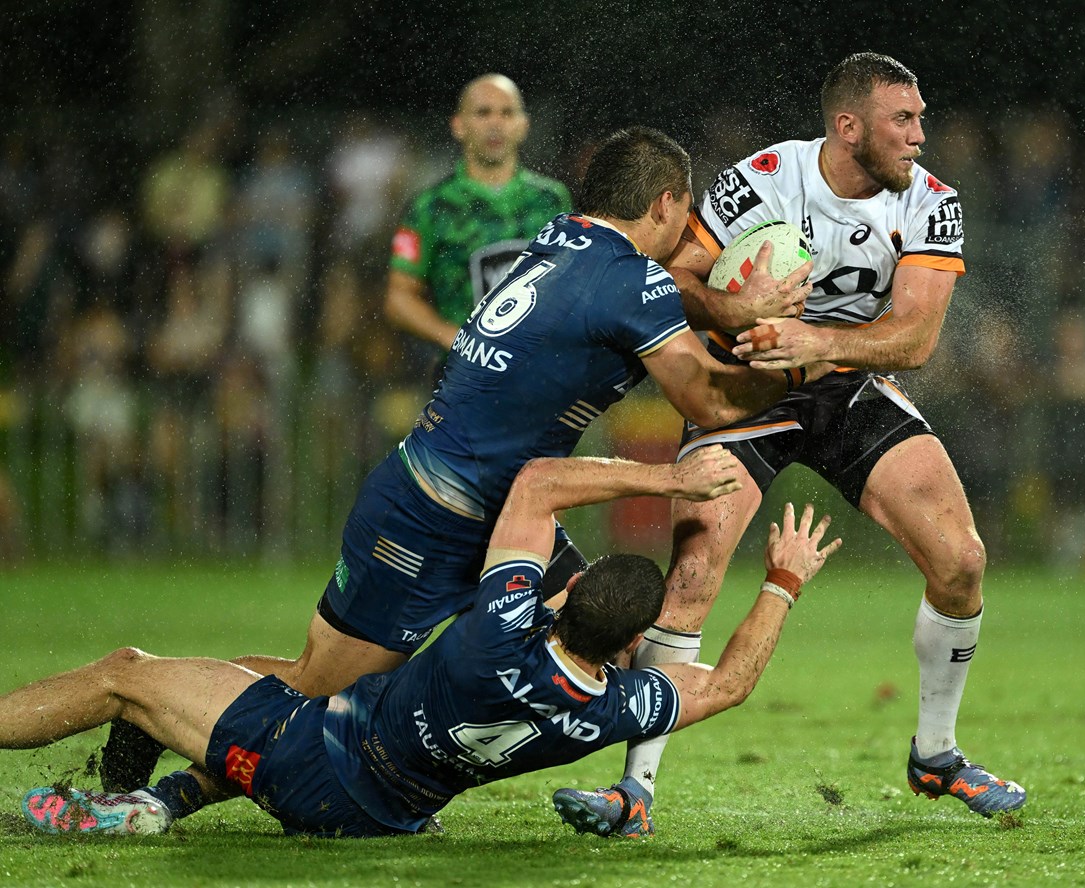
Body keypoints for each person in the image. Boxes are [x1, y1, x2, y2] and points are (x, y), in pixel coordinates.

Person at [98, 125, 814, 796]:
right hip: (441, 507)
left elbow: (655, 298)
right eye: (685, 217)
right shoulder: (632, 281)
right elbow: (713, 403)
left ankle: (624, 794)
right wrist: (793, 353)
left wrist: (728, 310)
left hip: (503, 503)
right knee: (319, 686)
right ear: (666, 204)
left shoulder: (564, 237)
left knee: (599, 651)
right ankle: (150, 702)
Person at [556, 52, 1026, 837]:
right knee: (693, 581)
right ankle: (634, 793)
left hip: (845, 386)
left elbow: (912, 338)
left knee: (963, 560)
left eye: (920, 119)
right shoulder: (764, 179)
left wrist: (810, 338)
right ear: (848, 127)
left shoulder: (933, 203)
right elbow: (680, 276)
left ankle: (936, 756)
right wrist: (739, 317)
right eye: (901, 121)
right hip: (748, 389)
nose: (919, 135)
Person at [4, 450, 841, 838]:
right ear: (630, 645)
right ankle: (159, 803)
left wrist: (667, 479)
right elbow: (728, 683)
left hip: (309, 760)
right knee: (265, 693)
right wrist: (783, 582)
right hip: (387, 818)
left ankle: (126, 802)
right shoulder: (614, 709)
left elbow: (535, 485)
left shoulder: (498, 625)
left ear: (571, 591)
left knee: (129, 676)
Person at [384, 73, 571, 369]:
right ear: (459, 125)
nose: (496, 123)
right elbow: (398, 298)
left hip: (542, 376)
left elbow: (573, 283)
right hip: (465, 382)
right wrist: (455, 338)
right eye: (483, 113)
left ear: (524, 125)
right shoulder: (430, 207)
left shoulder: (552, 200)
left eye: (507, 113)